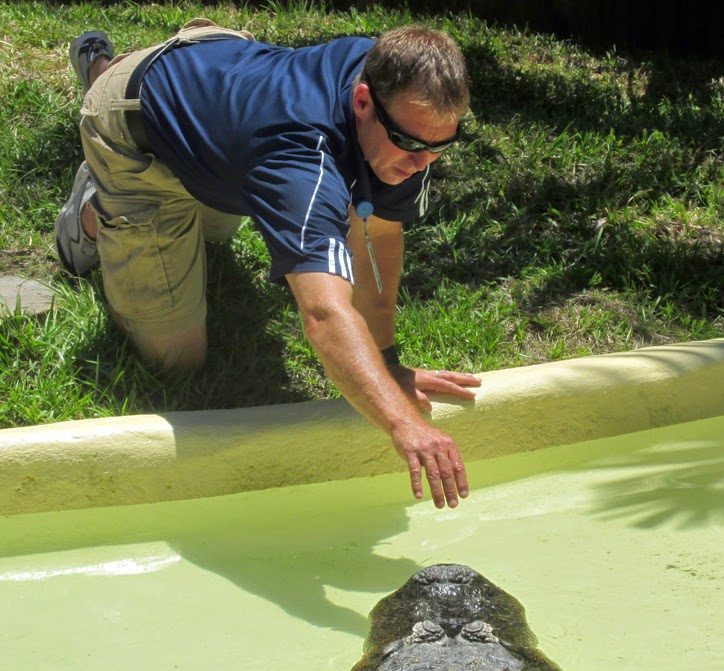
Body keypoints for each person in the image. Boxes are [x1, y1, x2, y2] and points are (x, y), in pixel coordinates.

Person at [54, 19, 481, 509]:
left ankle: (182, 158)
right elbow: (322, 315)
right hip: (134, 131)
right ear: (362, 101)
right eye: (412, 145)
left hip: (222, 79)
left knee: (217, 225)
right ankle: (92, 205)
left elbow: (378, 230)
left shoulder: (400, 96)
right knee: (176, 360)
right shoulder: (301, 160)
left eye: (440, 146)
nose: (422, 162)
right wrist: (404, 424)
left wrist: (387, 362)